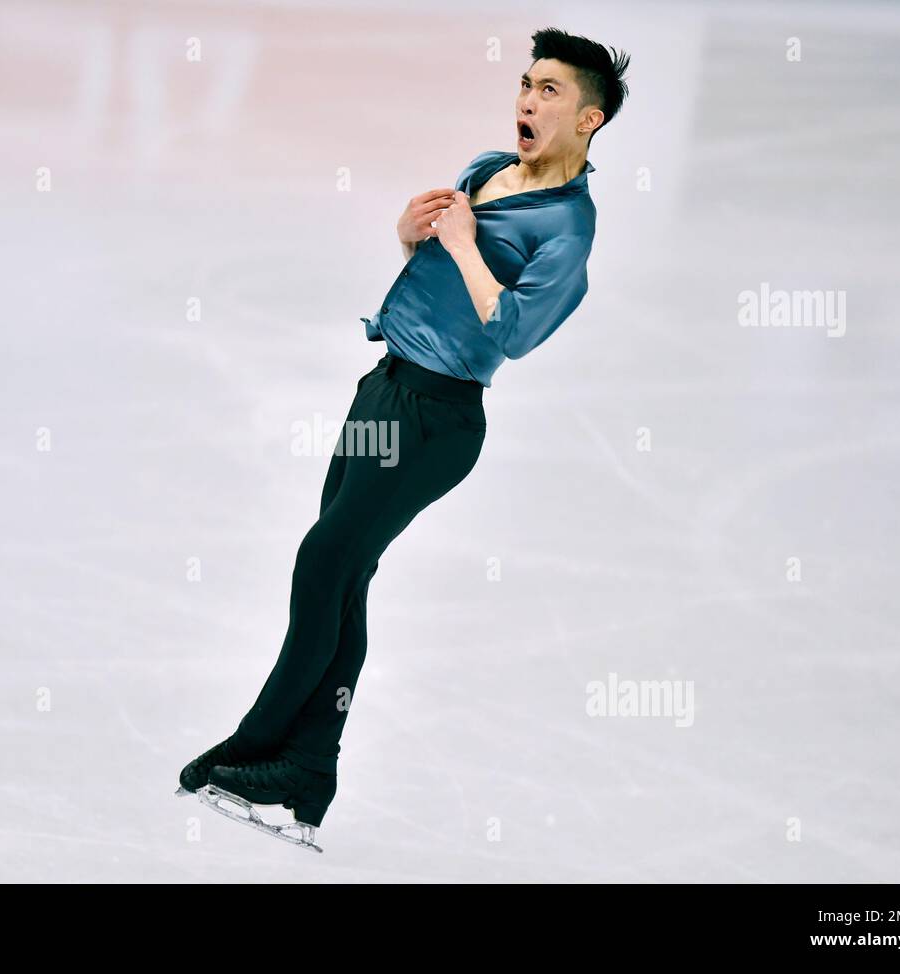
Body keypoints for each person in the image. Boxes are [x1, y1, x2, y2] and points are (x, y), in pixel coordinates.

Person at [178, 28, 631, 845]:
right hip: (384, 388)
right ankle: (306, 768)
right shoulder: (487, 169)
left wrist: (463, 247)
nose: (528, 100)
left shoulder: (568, 228)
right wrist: (411, 237)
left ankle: (258, 744)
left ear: (590, 120)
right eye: (527, 83)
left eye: (551, 91)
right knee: (343, 574)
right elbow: (430, 278)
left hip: (436, 419)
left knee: (326, 560)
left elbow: (519, 334)